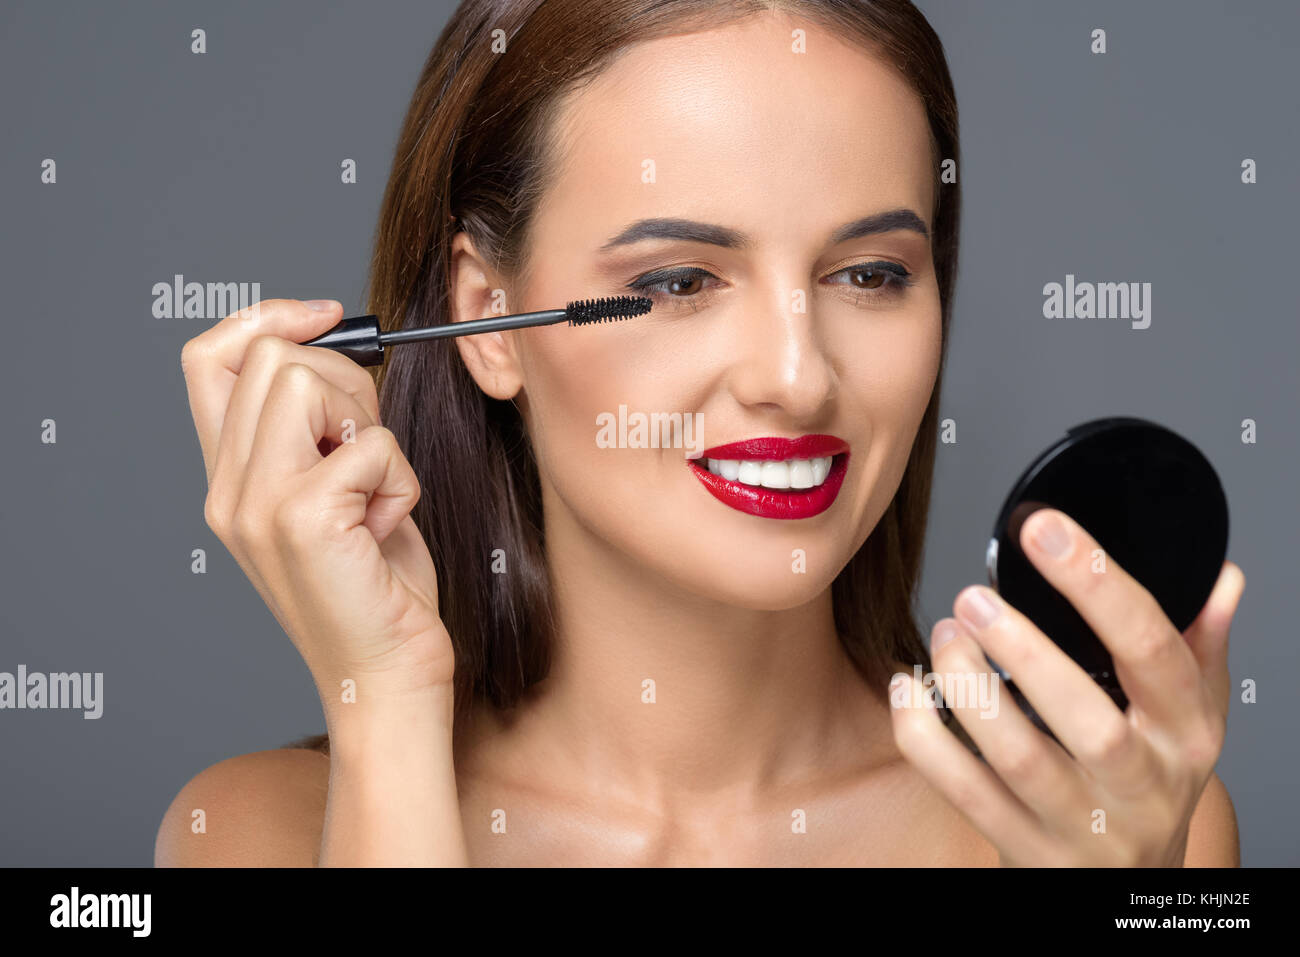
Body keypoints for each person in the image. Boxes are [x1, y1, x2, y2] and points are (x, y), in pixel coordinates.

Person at [159, 0, 1242, 866]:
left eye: (870, 274)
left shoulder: (1125, 822)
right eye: (679, 280)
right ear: (488, 318)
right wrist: (386, 707)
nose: (796, 378)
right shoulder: (260, 835)